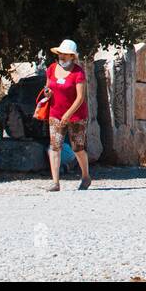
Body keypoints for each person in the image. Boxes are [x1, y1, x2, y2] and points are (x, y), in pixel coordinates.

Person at [41, 39, 91, 191]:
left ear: (72, 57)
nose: (62, 56)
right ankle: (55, 182)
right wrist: (47, 93)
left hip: (76, 116)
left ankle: (86, 176)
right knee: (55, 147)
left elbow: (80, 97)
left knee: (78, 148)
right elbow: (48, 87)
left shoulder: (78, 72)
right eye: (61, 53)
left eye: (66, 54)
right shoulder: (51, 69)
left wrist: (68, 114)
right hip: (55, 113)